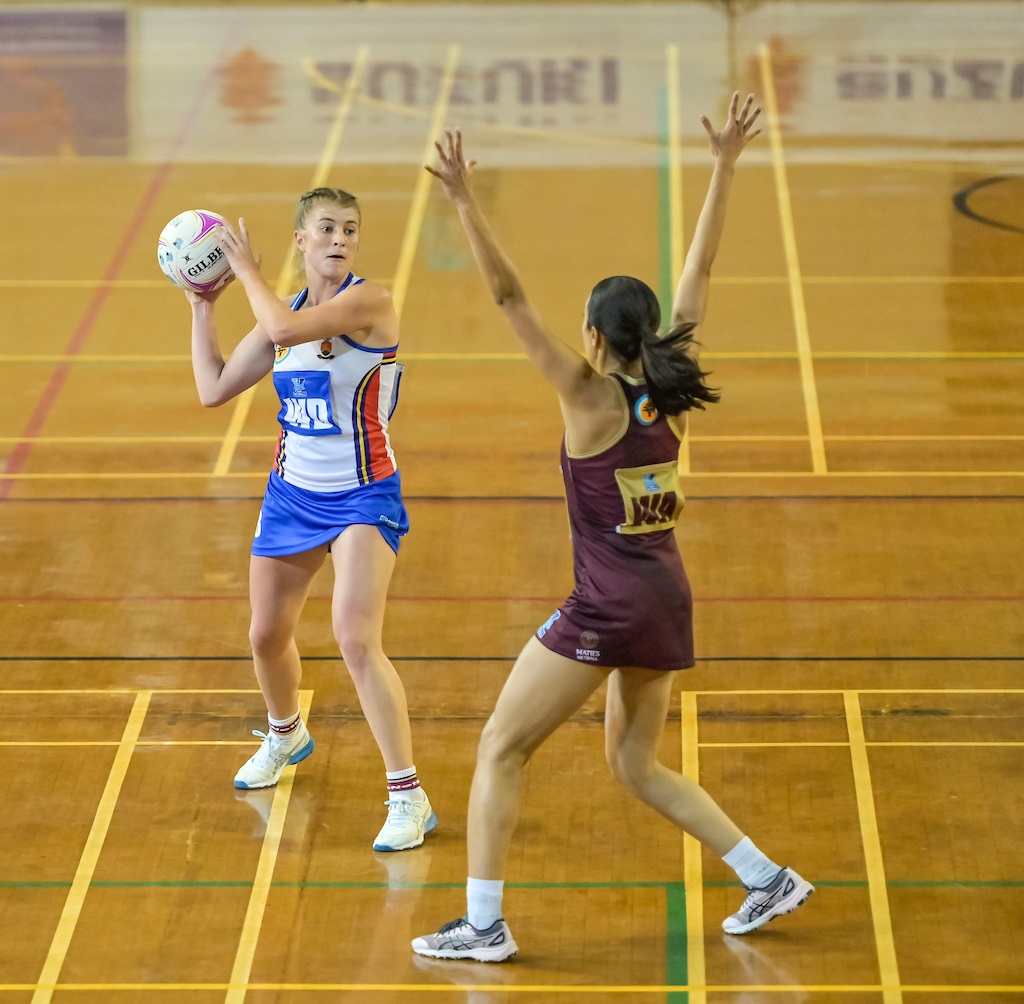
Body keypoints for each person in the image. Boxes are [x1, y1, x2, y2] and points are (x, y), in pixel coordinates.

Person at [411, 94, 812, 962]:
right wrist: (724, 167)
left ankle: (483, 926)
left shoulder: (586, 396)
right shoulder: (672, 385)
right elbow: (700, 271)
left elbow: (510, 295)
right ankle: (765, 875)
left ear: (593, 335)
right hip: (666, 596)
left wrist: (464, 204)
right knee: (633, 764)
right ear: (649, 332)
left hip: (608, 606)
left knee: (500, 748)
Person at [186, 187, 437, 852]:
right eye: (326, 227)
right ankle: (285, 732)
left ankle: (408, 796)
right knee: (266, 635)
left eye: (349, 229)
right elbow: (212, 388)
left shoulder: (368, 302)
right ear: (302, 239)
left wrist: (243, 270)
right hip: (292, 494)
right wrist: (200, 308)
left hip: (362, 495)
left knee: (355, 639)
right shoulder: (284, 310)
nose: (339, 238)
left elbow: (284, 332)